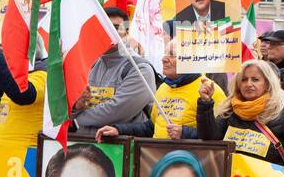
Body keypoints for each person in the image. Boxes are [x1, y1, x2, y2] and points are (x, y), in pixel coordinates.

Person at [95, 39, 226, 142]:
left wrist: (185, 133)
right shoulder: (163, 88)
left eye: (172, 55)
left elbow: (218, 135)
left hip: (189, 168)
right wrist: (118, 130)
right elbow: (151, 127)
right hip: (158, 164)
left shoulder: (210, 90)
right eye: (165, 53)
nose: (164, 59)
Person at [196, 59, 284, 170]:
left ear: (267, 83)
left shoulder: (283, 114)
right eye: (244, 80)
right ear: (238, 84)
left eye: (255, 80)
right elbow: (209, 139)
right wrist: (205, 103)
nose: (248, 84)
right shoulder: (229, 111)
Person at [69, 8, 156, 136]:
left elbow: (115, 112)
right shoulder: (90, 65)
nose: (108, 33)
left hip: (123, 149)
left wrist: (74, 118)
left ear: (127, 33)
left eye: (115, 28)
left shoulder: (141, 69)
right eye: (103, 28)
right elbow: (74, 102)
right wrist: (76, 107)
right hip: (85, 144)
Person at [0, 38, 45, 151]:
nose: (1, 51)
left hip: (24, 160)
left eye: (8, 48)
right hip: (5, 159)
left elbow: (23, 96)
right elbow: (10, 116)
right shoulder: (17, 79)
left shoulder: (43, 75)